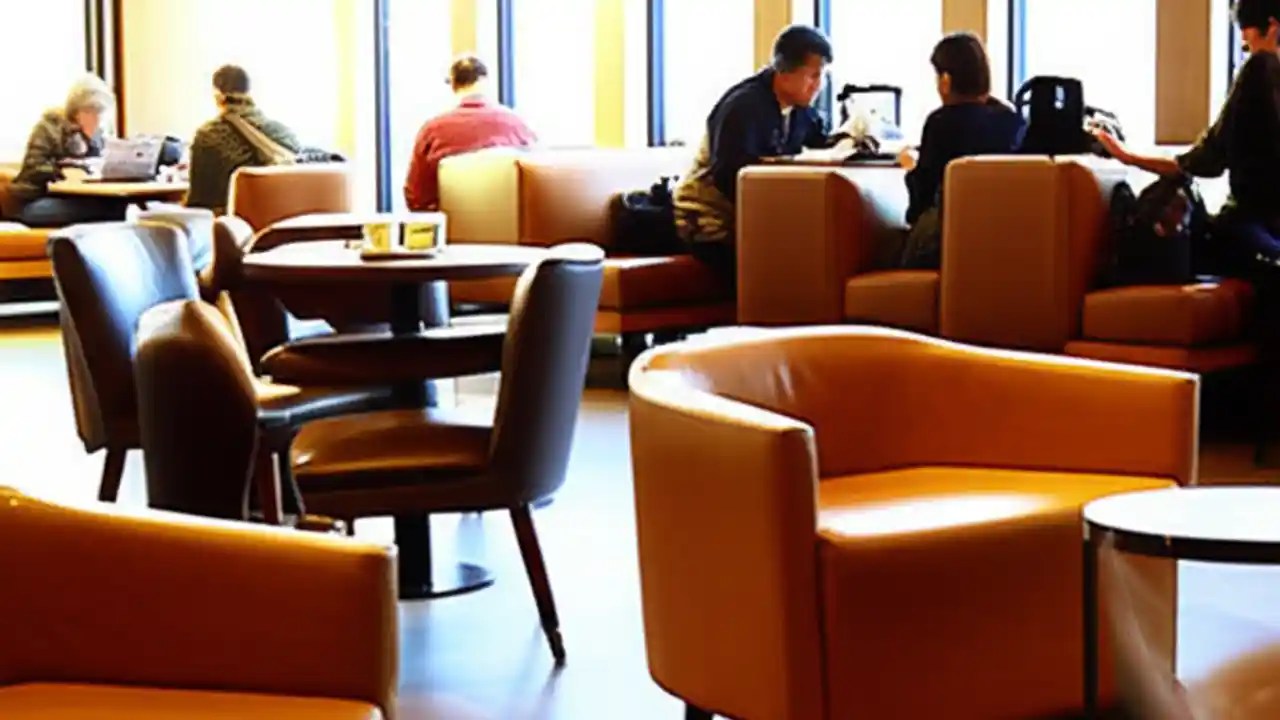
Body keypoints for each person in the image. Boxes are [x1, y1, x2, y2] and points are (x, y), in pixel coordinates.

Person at [1094, 0, 1280, 275]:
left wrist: (1126, 155)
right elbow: (1206, 160)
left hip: (1251, 225)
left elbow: (1207, 159)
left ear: (1272, 28)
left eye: (1247, 42)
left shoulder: (1260, 68)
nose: (1247, 52)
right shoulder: (1266, 73)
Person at [673, 25, 835, 287]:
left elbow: (822, 147)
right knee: (779, 272)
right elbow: (728, 176)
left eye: (822, 77)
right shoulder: (742, 107)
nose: (818, 86)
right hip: (708, 220)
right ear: (783, 72)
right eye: (812, 76)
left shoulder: (801, 111)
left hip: (756, 223)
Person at [899, 32, 1027, 269]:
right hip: (1004, 237)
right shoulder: (1013, 121)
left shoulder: (941, 122)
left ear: (946, 80)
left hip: (946, 240)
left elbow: (920, 202)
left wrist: (910, 168)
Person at [404, 55, 537, 212]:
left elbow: (416, 197)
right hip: (513, 229)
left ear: (453, 85)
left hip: (454, 229)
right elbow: (539, 185)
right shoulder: (519, 125)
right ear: (486, 82)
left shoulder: (433, 131)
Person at [185, 65, 305, 213]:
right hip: (281, 227)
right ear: (249, 91)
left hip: (235, 228)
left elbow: (200, 204)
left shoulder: (208, 136)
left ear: (216, 95)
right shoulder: (284, 135)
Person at [9, 75, 125, 227]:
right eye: (91, 112)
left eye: (100, 113)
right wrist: (61, 172)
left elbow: (99, 163)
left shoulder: (98, 135)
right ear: (76, 112)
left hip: (78, 197)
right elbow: (33, 168)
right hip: (37, 200)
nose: (97, 119)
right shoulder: (48, 128)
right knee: (106, 210)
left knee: (115, 206)